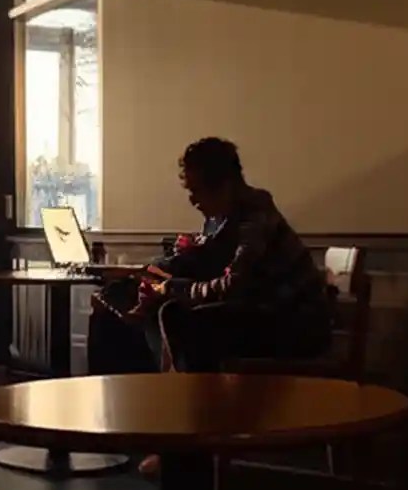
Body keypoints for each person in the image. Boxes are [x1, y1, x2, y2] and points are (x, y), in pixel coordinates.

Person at [87, 137, 331, 377]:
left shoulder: (256, 215)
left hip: (294, 322)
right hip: (256, 310)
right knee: (115, 302)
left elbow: (234, 285)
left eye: (197, 191)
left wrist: (167, 287)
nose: (192, 200)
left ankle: (195, 406)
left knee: (180, 317)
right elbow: (195, 262)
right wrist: (143, 277)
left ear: (224, 186)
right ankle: (129, 399)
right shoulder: (221, 216)